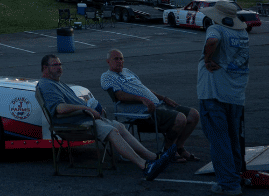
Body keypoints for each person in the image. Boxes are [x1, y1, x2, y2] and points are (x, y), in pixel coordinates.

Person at [37, 54, 174, 180]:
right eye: (55, 65)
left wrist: (92, 107)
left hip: (84, 119)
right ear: (45, 68)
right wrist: (86, 108)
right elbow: (59, 109)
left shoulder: (57, 83)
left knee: (119, 126)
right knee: (112, 131)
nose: (60, 68)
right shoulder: (47, 85)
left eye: (60, 65)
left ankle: (154, 158)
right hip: (73, 125)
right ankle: (145, 166)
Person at [101, 49, 200, 162]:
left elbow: (144, 89)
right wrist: (142, 99)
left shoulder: (127, 71)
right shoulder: (107, 76)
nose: (119, 61)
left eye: (121, 58)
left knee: (193, 115)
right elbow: (119, 96)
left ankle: (179, 147)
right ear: (108, 61)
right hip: (143, 111)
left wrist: (163, 98)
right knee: (180, 118)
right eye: (116, 59)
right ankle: (167, 152)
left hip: (158, 104)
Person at [197, 1, 250, 196]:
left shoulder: (215, 28)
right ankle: (235, 176)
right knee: (232, 138)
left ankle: (229, 183)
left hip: (214, 93)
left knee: (219, 140)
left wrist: (207, 59)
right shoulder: (242, 33)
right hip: (235, 93)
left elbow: (212, 41)